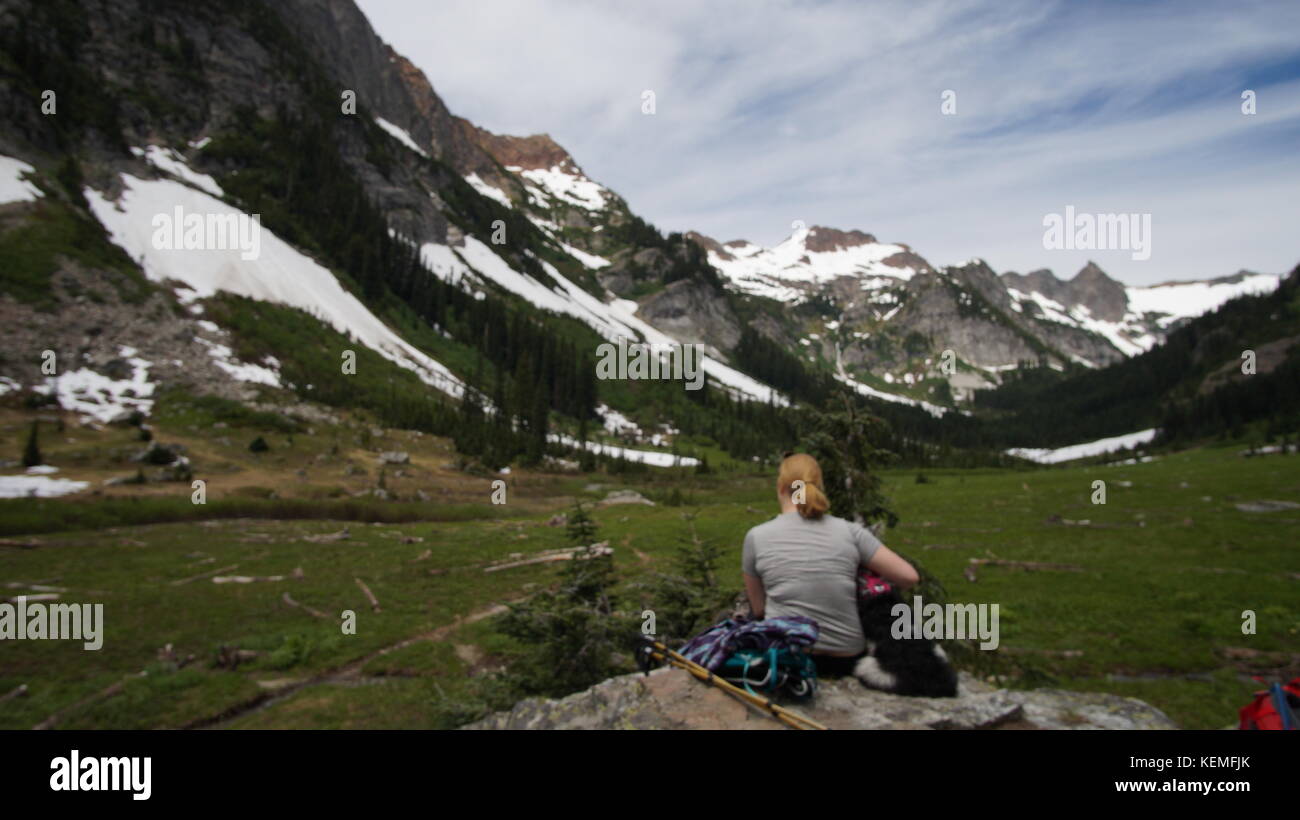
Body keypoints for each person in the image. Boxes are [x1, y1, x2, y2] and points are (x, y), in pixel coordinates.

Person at [741, 453, 919, 677]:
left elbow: (759, 610)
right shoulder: (850, 531)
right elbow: (908, 577)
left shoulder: (756, 536)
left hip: (789, 655)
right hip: (846, 658)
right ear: (819, 486)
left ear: (780, 487)